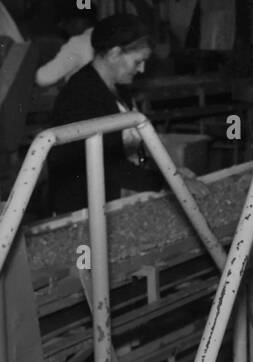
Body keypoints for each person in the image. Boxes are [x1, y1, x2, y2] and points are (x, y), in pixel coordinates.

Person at [47, 17, 163, 216]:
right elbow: (108, 165)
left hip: (114, 198)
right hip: (84, 210)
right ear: (114, 53)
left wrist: (169, 172)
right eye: (138, 61)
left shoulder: (117, 88)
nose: (141, 69)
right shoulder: (81, 95)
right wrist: (164, 181)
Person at [35, 5, 96, 89]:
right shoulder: (109, 37)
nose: (62, 26)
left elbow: (43, 78)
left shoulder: (77, 43)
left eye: (65, 22)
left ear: (77, 21)